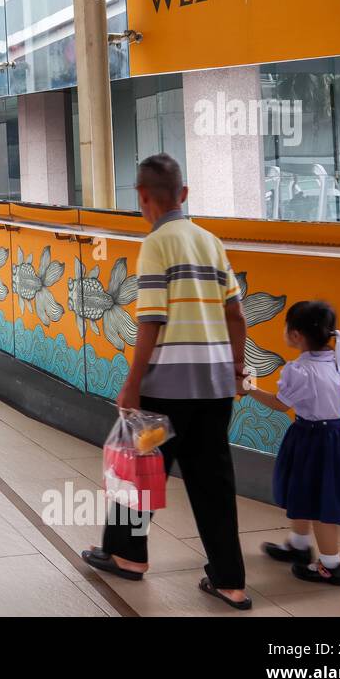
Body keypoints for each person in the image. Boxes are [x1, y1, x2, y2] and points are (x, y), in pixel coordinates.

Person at [81, 153, 252, 610]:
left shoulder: (156, 244)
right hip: (215, 389)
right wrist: (237, 370)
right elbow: (236, 313)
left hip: (165, 392)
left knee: (138, 472)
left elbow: (152, 319)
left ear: (141, 198)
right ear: (185, 194)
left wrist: (132, 383)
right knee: (213, 483)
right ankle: (230, 581)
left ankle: (128, 555)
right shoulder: (211, 242)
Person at [247, 300, 340, 586]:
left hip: (314, 439)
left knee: (320, 503)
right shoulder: (337, 362)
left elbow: (280, 404)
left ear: (296, 335)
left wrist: (248, 389)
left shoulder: (299, 370)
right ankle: (298, 545)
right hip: (335, 436)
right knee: (305, 493)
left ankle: (332, 566)